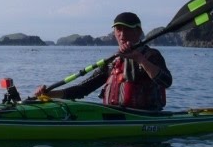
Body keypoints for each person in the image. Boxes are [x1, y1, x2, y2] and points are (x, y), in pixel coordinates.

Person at [34, 11, 173, 111]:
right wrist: (49, 94)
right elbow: (82, 89)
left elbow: (166, 81)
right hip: (115, 116)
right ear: (114, 33)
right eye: (119, 29)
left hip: (146, 118)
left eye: (127, 29)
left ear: (138, 32)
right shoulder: (112, 62)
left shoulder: (151, 55)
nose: (122, 34)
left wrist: (139, 59)